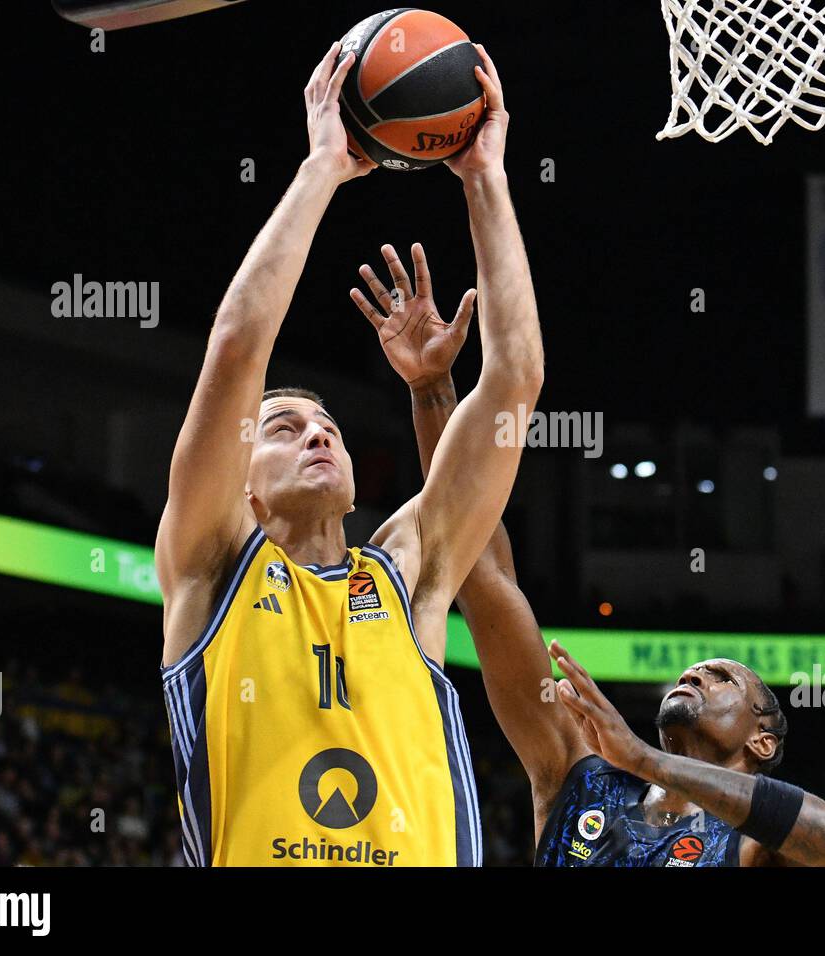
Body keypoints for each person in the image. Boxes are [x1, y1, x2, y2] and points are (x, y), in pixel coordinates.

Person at [155, 39, 542, 866]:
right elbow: (236, 348)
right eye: (285, 429)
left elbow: (515, 380)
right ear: (243, 487)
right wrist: (323, 168)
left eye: (325, 426)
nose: (318, 433)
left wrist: (485, 181)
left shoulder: (408, 575)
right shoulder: (211, 565)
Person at [391, 321, 825, 868]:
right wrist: (431, 389)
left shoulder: (755, 847)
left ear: (762, 741)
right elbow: (482, 569)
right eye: (695, 672)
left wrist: (644, 758)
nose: (693, 676)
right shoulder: (578, 774)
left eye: (722, 677)